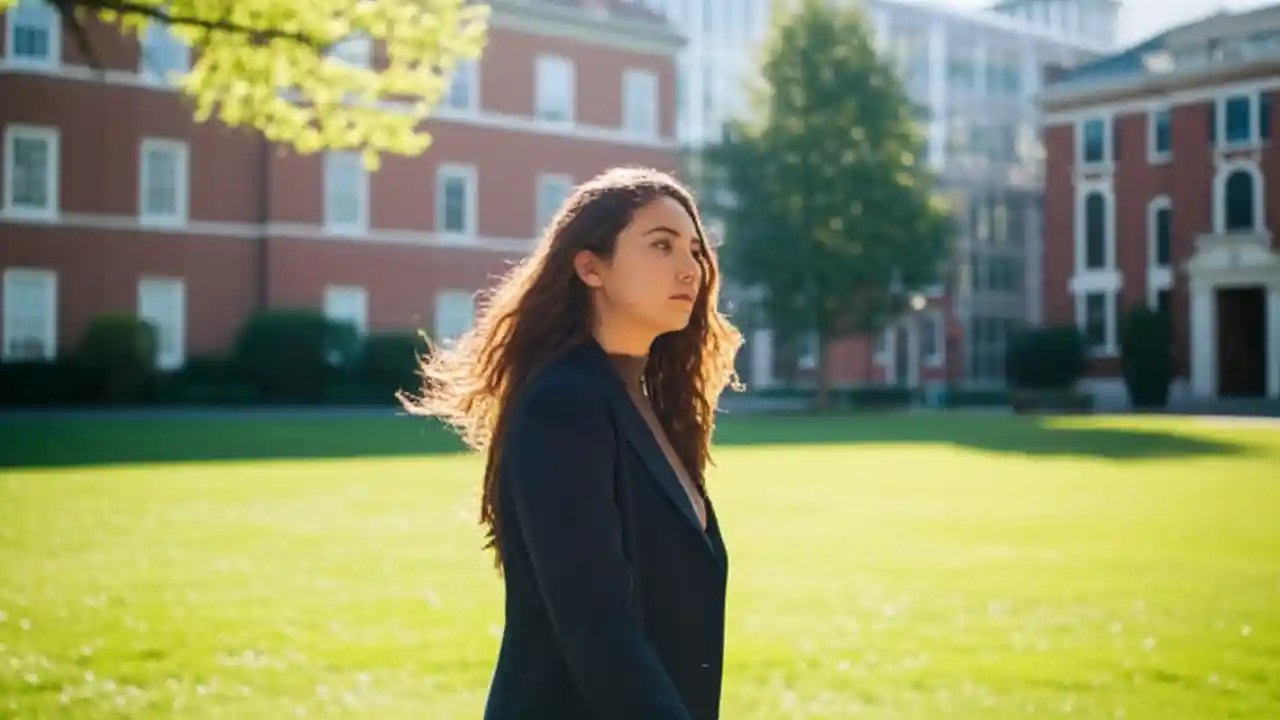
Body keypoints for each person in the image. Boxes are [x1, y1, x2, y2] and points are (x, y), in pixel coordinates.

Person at [402, 166, 742, 719]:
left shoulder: (649, 404)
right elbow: (596, 627)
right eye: (662, 245)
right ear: (591, 267)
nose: (691, 269)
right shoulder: (563, 404)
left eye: (697, 251)